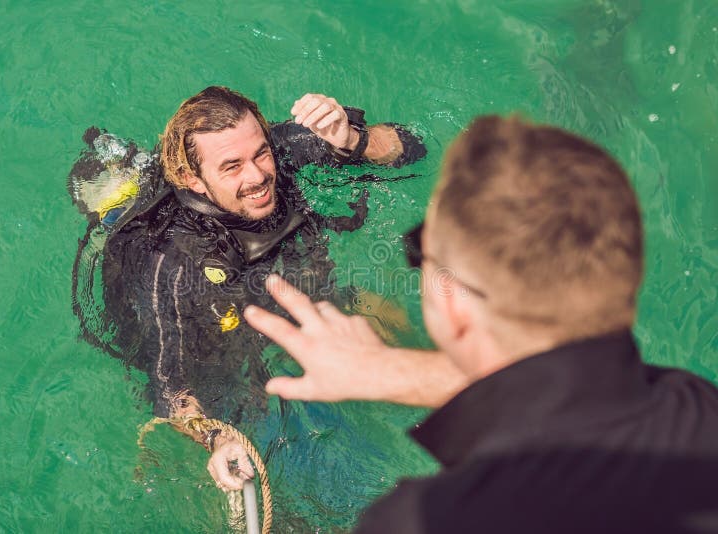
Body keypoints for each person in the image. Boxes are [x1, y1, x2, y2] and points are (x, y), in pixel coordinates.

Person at [244, 115, 718, 533]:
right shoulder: (695, 407)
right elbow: (571, 401)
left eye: (420, 247)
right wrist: (390, 371)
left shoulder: (423, 520)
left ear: (452, 300)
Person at [72, 86, 426, 495]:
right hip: (213, 324)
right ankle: (118, 192)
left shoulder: (278, 151)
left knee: (385, 315)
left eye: (260, 154)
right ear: (193, 179)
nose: (257, 176)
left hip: (283, 285)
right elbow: (169, 387)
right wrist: (216, 440)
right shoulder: (168, 260)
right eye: (232, 166)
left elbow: (412, 146)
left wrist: (353, 140)